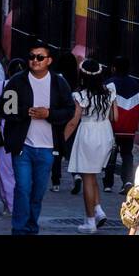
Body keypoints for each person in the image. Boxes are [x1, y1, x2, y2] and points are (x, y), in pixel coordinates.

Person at [3, 39, 75, 236]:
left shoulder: (59, 83)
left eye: (40, 57)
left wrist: (49, 114)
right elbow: (5, 109)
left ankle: (31, 228)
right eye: (32, 57)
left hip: (47, 147)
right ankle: (19, 230)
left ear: (49, 60)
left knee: (37, 192)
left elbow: (69, 110)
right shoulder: (17, 81)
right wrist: (26, 111)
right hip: (23, 146)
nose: (35, 60)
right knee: (23, 189)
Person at [65, 58, 117, 233]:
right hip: (105, 132)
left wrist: (61, 140)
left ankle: (90, 222)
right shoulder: (110, 91)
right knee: (93, 174)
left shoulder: (80, 95)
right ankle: (98, 210)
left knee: (87, 177)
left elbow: (74, 121)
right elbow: (115, 117)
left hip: (88, 132)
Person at [0, 56, 26, 216]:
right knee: (20, 170)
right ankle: (14, 204)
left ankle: (10, 204)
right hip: (23, 131)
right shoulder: (28, 87)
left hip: (2, 131)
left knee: (4, 171)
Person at [104, 55, 139, 193]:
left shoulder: (109, 83)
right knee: (127, 154)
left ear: (114, 68)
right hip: (129, 127)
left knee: (110, 153)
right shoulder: (136, 85)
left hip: (113, 125)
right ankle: (127, 181)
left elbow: (106, 106)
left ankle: (108, 183)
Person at [51, 50, 80, 194]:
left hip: (58, 116)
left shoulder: (57, 78)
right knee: (70, 149)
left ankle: (56, 182)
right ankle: (77, 175)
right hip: (73, 117)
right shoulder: (76, 79)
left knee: (56, 149)